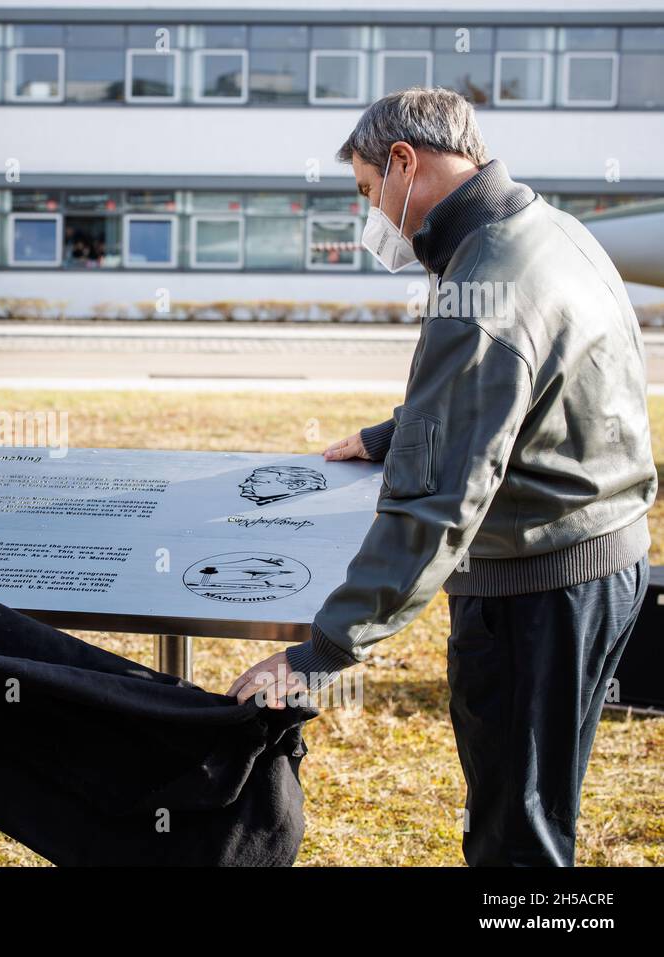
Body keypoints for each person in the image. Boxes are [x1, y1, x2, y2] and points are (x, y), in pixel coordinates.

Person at [228, 88, 656, 866]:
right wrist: (394, 434)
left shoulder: (480, 284)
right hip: (602, 559)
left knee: (512, 834)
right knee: (539, 803)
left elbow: (438, 505)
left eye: (366, 191)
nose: (372, 216)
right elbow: (531, 386)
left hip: (535, 590)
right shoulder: (550, 231)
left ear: (403, 162)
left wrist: (315, 654)